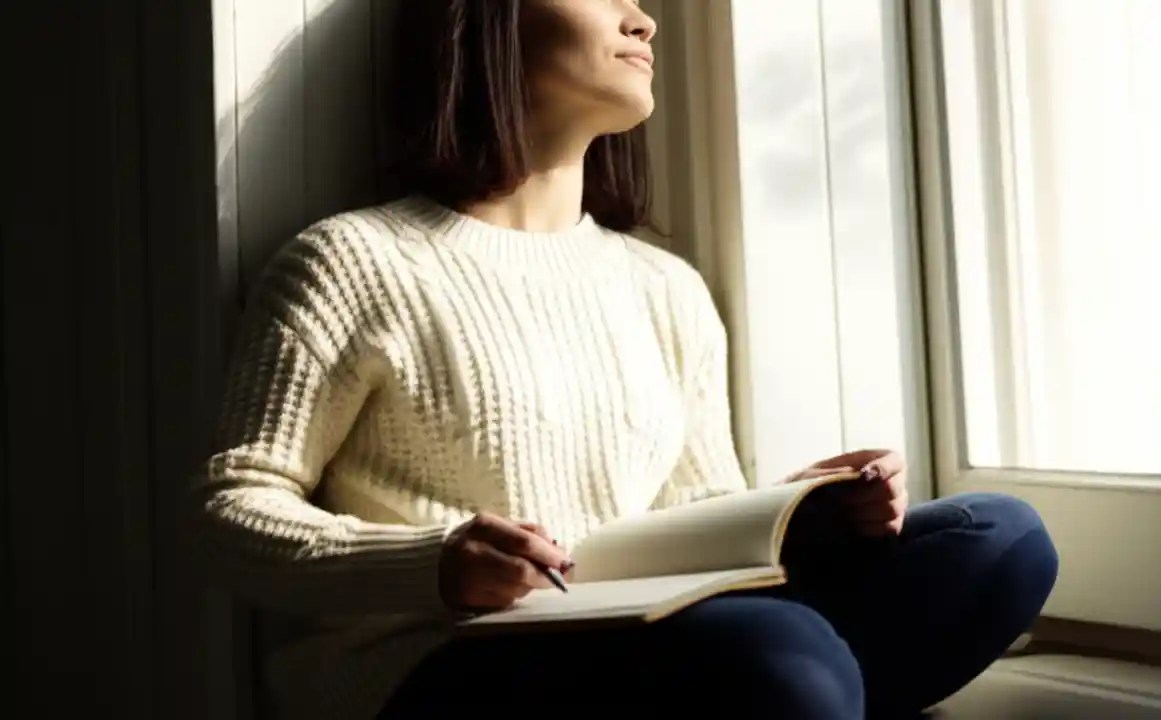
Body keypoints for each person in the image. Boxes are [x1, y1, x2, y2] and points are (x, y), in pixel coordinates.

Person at [190, 1, 1059, 718]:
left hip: (656, 633)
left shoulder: (663, 287)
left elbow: (698, 519)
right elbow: (231, 510)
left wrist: (801, 510)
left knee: (998, 540)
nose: (643, 21)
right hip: (444, 661)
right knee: (785, 661)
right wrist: (435, 564)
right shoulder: (352, 262)